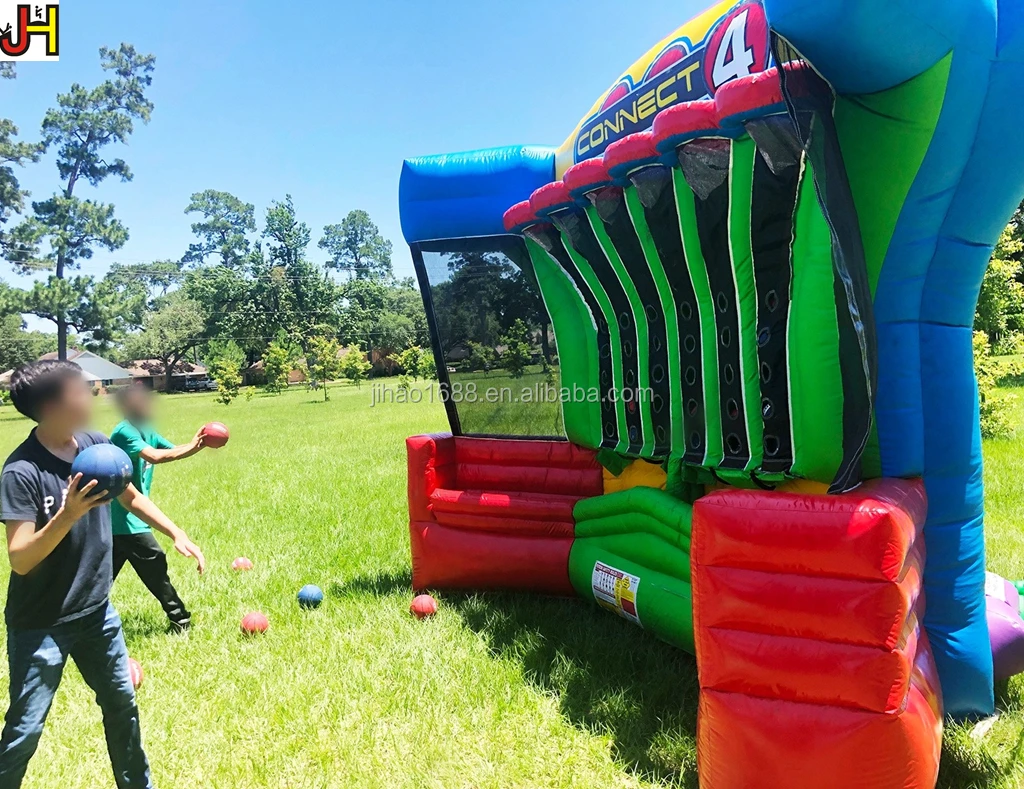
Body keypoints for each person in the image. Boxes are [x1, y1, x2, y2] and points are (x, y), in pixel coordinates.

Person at [0, 360, 205, 788]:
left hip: (97, 613)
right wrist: (69, 514)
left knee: (122, 708)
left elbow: (129, 498)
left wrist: (174, 531)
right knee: (25, 730)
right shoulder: (22, 472)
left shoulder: (95, 444)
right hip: (41, 624)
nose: (93, 395)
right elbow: (19, 558)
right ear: (53, 405)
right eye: (81, 390)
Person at [110, 383, 206, 632]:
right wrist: (196, 446)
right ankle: (180, 617)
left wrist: (200, 444)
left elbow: (173, 450)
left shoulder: (147, 429)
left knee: (101, 576)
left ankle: (78, 615)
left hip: (128, 515)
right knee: (153, 561)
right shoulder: (124, 431)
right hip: (123, 514)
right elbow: (155, 456)